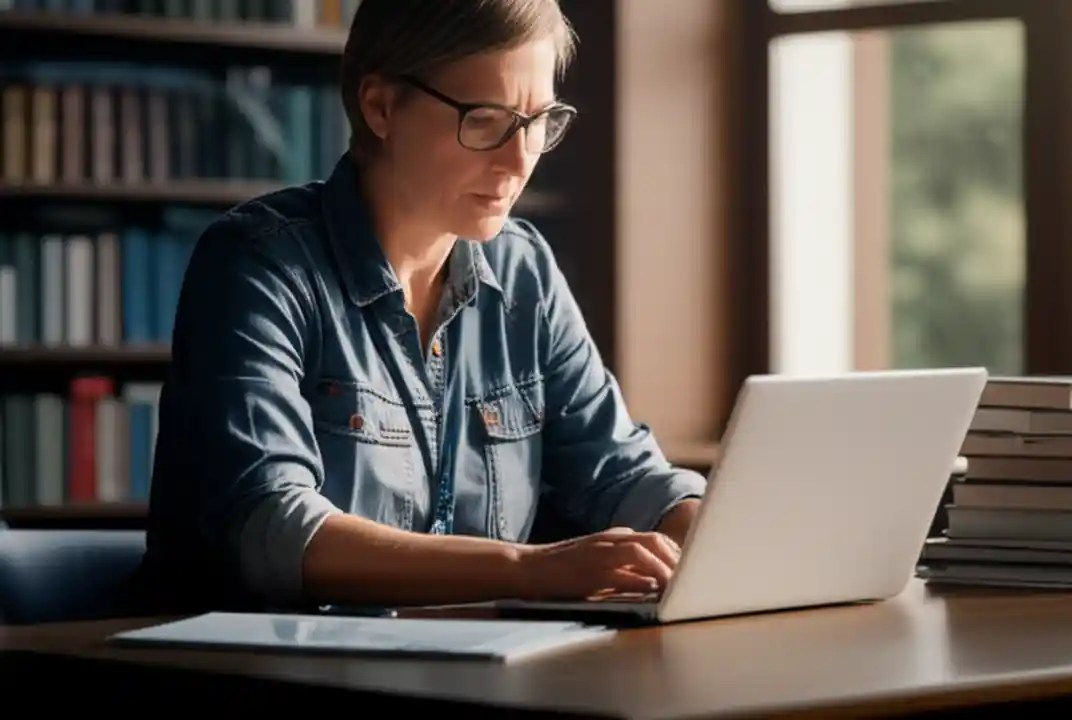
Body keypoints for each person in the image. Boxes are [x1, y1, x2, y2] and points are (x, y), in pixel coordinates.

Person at [134, 0, 706, 614]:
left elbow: (624, 476)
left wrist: (716, 538)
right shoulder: (257, 263)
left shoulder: (524, 272)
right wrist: (529, 570)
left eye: (538, 121)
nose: (519, 162)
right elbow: (274, 530)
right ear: (380, 107)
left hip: (465, 668)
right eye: (485, 120)